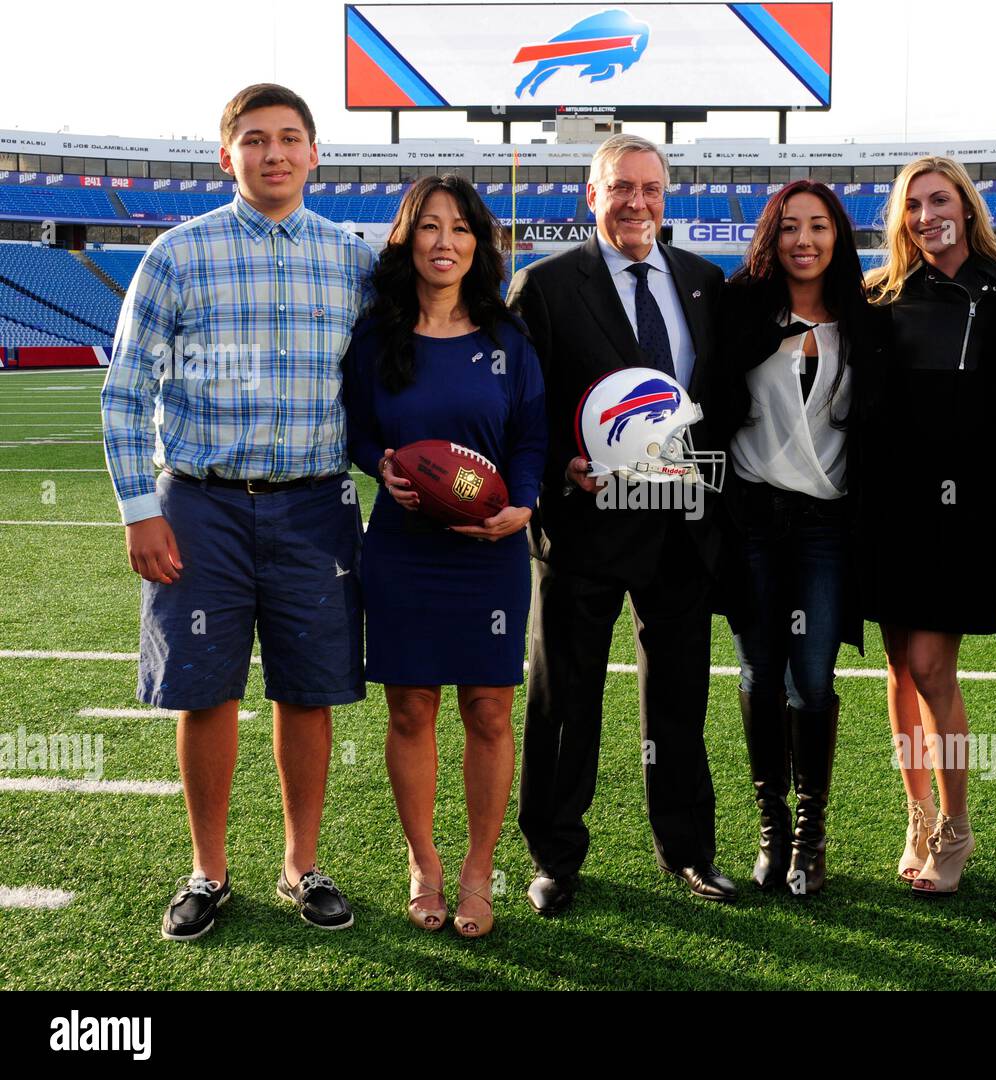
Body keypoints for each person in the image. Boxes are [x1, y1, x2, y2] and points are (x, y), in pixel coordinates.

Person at [100, 84, 377, 940]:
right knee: (204, 690)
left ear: (315, 153)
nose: (275, 154)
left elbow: (390, 381)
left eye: (291, 138)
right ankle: (208, 871)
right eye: (255, 140)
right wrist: (139, 508)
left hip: (315, 504)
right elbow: (124, 391)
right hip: (201, 504)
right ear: (227, 157)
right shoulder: (178, 255)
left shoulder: (354, 259)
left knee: (310, 691)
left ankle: (301, 863)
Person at [506, 133, 735, 913]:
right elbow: (518, 406)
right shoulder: (544, 284)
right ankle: (555, 854)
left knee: (680, 695)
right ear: (591, 195)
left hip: (679, 525)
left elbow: (721, 404)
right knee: (564, 697)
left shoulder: (704, 282)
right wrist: (551, 476)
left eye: (651, 188)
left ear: (665, 196)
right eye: (621, 188)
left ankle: (689, 850)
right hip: (584, 524)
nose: (638, 203)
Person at [343, 175, 546, 939]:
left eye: (460, 228)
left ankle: (477, 870)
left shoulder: (508, 340)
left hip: (488, 548)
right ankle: (423, 862)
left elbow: (531, 436)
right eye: (428, 226)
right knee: (410, 707)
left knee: (490, 709)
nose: (444, 241)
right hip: (403, 547)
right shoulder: (376, 335)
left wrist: (519, 503)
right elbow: (358, 428)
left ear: (479, 243)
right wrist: (379, 463)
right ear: (407, 239)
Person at [860, 156, 996, 896]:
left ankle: (956, 825)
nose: (927, 216)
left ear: (967, 206)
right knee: (897, 669)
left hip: (964, 507)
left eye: (939, 200)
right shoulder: (882, 291)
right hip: (890, 502)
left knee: (930, 667)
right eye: (913, 205)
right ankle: (916, 815)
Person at [717, 180, 880, 895]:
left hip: (826, 526)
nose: (804, 240)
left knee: (810, 679)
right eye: (789, 227)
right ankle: (771, 828)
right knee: (758, 671)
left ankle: (810, 836)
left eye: (818, 226)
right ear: (771, 237)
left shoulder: (866, 318)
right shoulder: (740, 307)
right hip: (753, 518)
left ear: (838, 236)